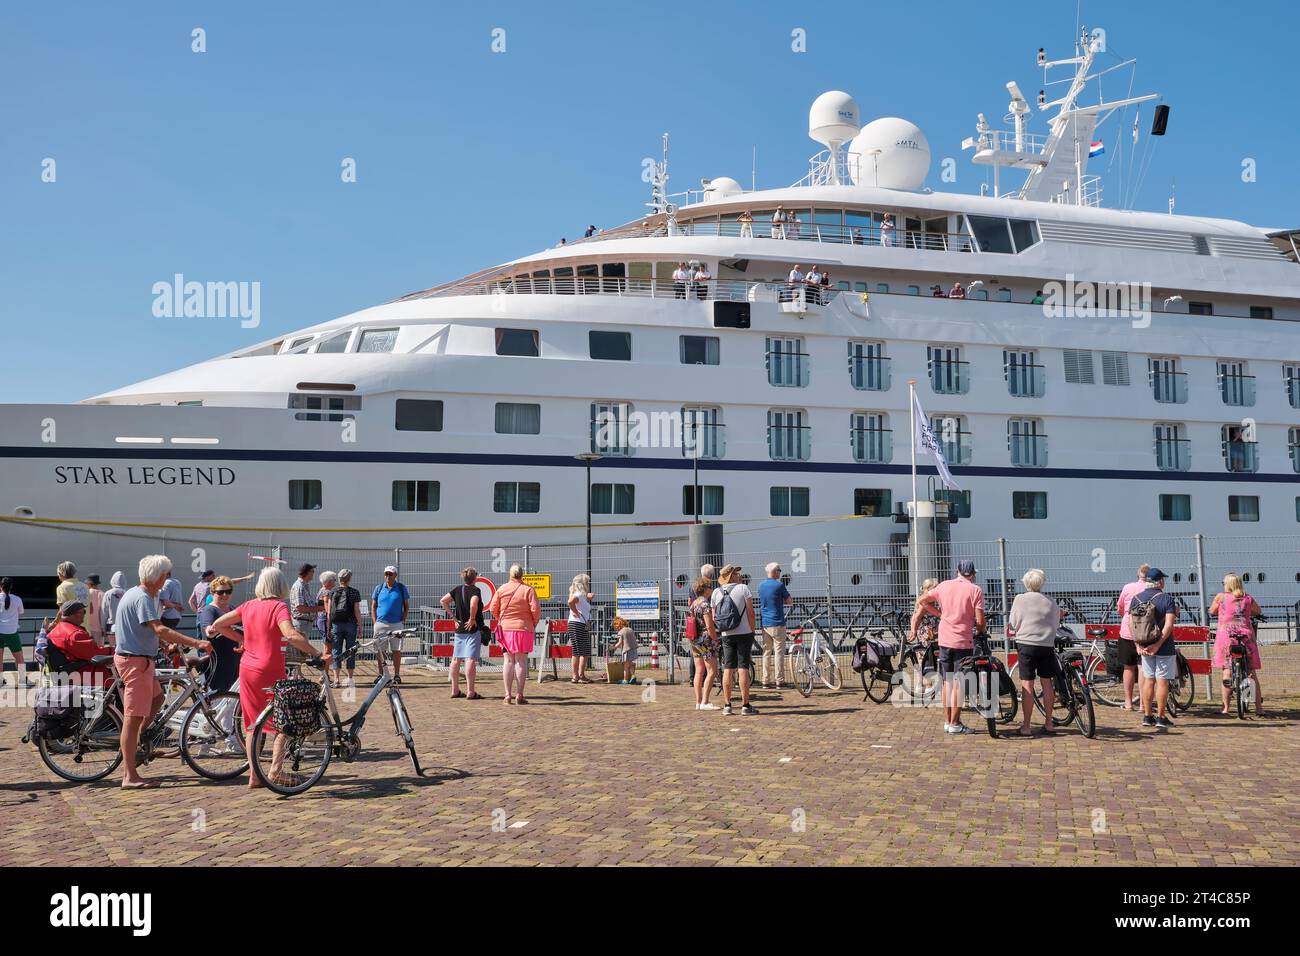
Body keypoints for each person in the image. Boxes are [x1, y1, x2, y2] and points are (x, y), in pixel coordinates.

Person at [210, 567, 324, 790]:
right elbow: (290, 634)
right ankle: (275, 771)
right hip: (270, 668)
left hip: (247, 668)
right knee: (284, 720)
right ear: (280, 585)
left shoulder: (249, 605)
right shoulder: (278, 606)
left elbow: (217, 625)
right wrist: (315, 653)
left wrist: (241, 640)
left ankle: (255, 775)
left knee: (252, 724)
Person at [114, 554, 212, 788]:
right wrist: (195, 643)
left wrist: (166, 648)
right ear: (157, 576)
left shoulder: (138, 594)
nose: (167, 580)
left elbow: (145, 630)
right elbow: (159, 628)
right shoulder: (143, 598)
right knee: (133, 718)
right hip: (135, 662)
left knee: (157, 699)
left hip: (142, 660)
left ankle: (140, 740)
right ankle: (130, 775)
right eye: (165, 575)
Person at [919, 560, 986, 735]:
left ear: (957, 571)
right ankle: (955, 723)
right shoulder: (975, 590)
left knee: (947, 681)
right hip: (963, 641)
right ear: (973, 574)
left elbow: (923, 601)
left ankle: (948, 721)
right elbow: (980, 621)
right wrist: (979, 630)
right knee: (959, 683)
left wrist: (940, 615)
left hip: (945, 639)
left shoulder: (944, 586)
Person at [1007, 569, 1063, 736]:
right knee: (1047, 683)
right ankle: (1049, 723)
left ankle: (1026, 726)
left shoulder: (1020, 599)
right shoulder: (1051, 602)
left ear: (1026, 582)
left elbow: (1013, 622)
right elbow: (1056, 624)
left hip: (1026, 644)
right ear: (1042, 583)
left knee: (1027, 684)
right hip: (1046, 645)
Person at [1126, 568, 1178, 730]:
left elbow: (1131, 624)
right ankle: (1161, 717)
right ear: (1160, 582)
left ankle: (1147, 716)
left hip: (1144, 646)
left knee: (1149, 680)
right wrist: (1158, 645)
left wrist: (1138, 645)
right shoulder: (1166, 599)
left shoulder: (1136, 598)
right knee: (1162, 681)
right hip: (1164, 647)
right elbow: (1169, 625)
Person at [1209, 574, 1264, 716]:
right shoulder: (1247, 598)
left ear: (1227, 584)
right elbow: (1258, 611)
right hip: (1246, 636)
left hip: (1227, 636)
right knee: (1252, 673)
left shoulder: (1221, 597)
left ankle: (1226, 708)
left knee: (1227, 671)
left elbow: (1212, 611)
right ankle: (1259, 709)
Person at [488, 565, 541, 705]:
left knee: (508, 661)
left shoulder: (502, 589)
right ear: (522, 575)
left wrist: (501, 618)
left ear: (510, 574)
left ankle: (507, 694)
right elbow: (535, 610)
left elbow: (493, 608)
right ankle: (520, 694)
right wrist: (532, 623)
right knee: (521, 661)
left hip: (505, 629)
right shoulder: (528, 590)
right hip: (523, 628)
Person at [711, 564, 757, 716]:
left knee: (728, 668)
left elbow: (714, 617)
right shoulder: (743, 589)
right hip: (744, 633)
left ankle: (727, 705)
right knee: (743, 666)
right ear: (731, 576)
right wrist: (752, 629)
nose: (740, 576)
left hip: (726, 634)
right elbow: (751, 612)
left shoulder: (716, 592)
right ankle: (745, 705)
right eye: (737, 573)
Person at [440, 567, 486, 699]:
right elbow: (473, 604)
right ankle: (471, 691)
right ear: (475, 578)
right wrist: (472, 618)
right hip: (472, 629)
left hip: (459, 629)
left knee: (456, 659)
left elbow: (443, 601)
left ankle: (455, 689)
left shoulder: (457, 590)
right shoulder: (475, 590)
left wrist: (453, 617)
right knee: (470, 659)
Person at [46, 601, 114, 684]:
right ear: (74, 614)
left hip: (66, 672)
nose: (84, 614)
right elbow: (95, 654)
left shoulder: (56, 629)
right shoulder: (75, 634)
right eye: (83, 612)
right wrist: (113, 650)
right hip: (84, 674)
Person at [1114, 564, 1151, 709]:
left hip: (1127, 632)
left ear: (1138, 575)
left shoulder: (1128, 587)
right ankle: (1143, 703)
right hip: (1146, 632)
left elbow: (1120, 608)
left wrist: (1127, 618)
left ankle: (1128, 702)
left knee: (1128, 667)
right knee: (1143, 668)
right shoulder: (1152, 589)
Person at [197, 576, 240, 693]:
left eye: (228, 591)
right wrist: (212, 629)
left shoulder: (233, 609)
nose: (225, 595)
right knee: (218, 697)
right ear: (212, 592)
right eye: (220, 592)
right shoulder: (209, 610)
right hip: (218, 663)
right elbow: (208, 631)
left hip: (234, 660)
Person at [370, 565, 410, 684]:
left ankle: (397, 675)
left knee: (396, 650)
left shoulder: (401, 588)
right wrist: (375, 621)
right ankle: (381, 675)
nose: (387, 576)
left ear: (395, 576)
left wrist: (403, 619)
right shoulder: (378, 588)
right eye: (386, 574)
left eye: (390, 574)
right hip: (380, 624)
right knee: (380, 651)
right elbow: (373, 606)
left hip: (396, 624)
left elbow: (406, 605)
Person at [756, 562, 791, 689]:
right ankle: (779, 680)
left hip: (765, 623)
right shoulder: (779, 585)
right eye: (779, 570)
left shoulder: (760, 586)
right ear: (775, 571)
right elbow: (789, 601)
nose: (780, 573)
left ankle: (765, 680)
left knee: (766, 652)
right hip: (777, 622)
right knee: (779, 652)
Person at [687, 578, 720, 709]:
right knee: (712, 670)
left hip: (695, 639)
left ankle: (698, 701)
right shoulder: (705, 605)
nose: (711, 590)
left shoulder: (694, 603)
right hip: (706, 639)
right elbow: (709, 625)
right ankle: (705, 701)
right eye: (710, 587)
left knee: (699, 671)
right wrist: (715, 639)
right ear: (705, 589)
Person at [327, 569, 363, 688]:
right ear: (349, 579)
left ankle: (336, 679)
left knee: (336, 650)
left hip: (337, 624)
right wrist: (360, 626)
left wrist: (328, 627)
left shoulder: (332, 592)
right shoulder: (355, 592)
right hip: (351, 624)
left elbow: (329, 612)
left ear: (339, 579)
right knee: (350, 650)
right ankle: (350, 678)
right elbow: (357, 610)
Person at [290, 564, 323, 666]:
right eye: (312, 572)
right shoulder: (299, 586)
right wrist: (318, 608)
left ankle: (297, 673)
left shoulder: (304, 585)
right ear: (307, 572)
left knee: (301, 649)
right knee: (299, 649)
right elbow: (300, 608)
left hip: (304, 622)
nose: (313, 574)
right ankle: (296, 674)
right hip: (301, 622)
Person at [566, 573, 594, 684]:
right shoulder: (578, 594)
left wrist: (587, 597)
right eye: (587, 582)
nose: (588, 584)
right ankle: (576, 676)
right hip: (577, 624)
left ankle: (580, 675)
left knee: (584, 650)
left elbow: (578, 601)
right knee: (578, 650)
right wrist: (576, 612)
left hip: (579, 624)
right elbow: (571, 602)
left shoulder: (580, 594)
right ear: (582, 584)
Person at [0, 578, 27, 687]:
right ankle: (22, 679)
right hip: (11, 632)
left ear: (1, 586)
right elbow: (21, 612)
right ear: (11, 587)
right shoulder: (17, 599)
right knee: (19, 657)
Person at [908, 578, 940, 645]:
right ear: (927, 589)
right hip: (929, 632)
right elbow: (917, 617)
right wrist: (914, 631)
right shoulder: (926, 602)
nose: (937, 591)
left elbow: (914, 616)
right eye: (934, 588)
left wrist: (913, 630)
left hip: (931, 631)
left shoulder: (923, 598)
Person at [611, 617, 639, 684]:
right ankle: (633, 676)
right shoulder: (630, 629)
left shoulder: (621, 632)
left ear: (618, 625)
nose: (615, 628)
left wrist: (613, 647)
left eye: (615, 626)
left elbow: (620, 642)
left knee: (625, 666)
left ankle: (625, 680)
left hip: (627, 650)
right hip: (633, 649)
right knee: (630, 664)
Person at [101, 571, 126, 645]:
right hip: (124, 625)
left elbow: (104, 611)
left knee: (113, 647)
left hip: (111, 624)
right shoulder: (127, 593)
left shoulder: (109, 593)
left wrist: (102, 626)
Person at [157, 569, 185, 634]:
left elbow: (165, 602)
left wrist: (175, 606)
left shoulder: (165, 583)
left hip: (167, 615)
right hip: (176, 615)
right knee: (171, 637)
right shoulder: (177, 582)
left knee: (166, 638)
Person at [315, 571, 338, 644]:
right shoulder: (327, 592)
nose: (335, 582)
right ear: (328, 581)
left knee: (326, 643)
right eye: (334, 580)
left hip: (320, 619)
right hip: (325, 620)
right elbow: (328, 610)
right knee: (329, 644)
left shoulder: (321, 590)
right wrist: (329, 628)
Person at [85, 574, 106, 642]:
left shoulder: (86, 593)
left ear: (89, 584)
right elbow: (104, 612)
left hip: (86, 626)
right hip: (98, 628)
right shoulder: (102, 594)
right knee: (99, 649)